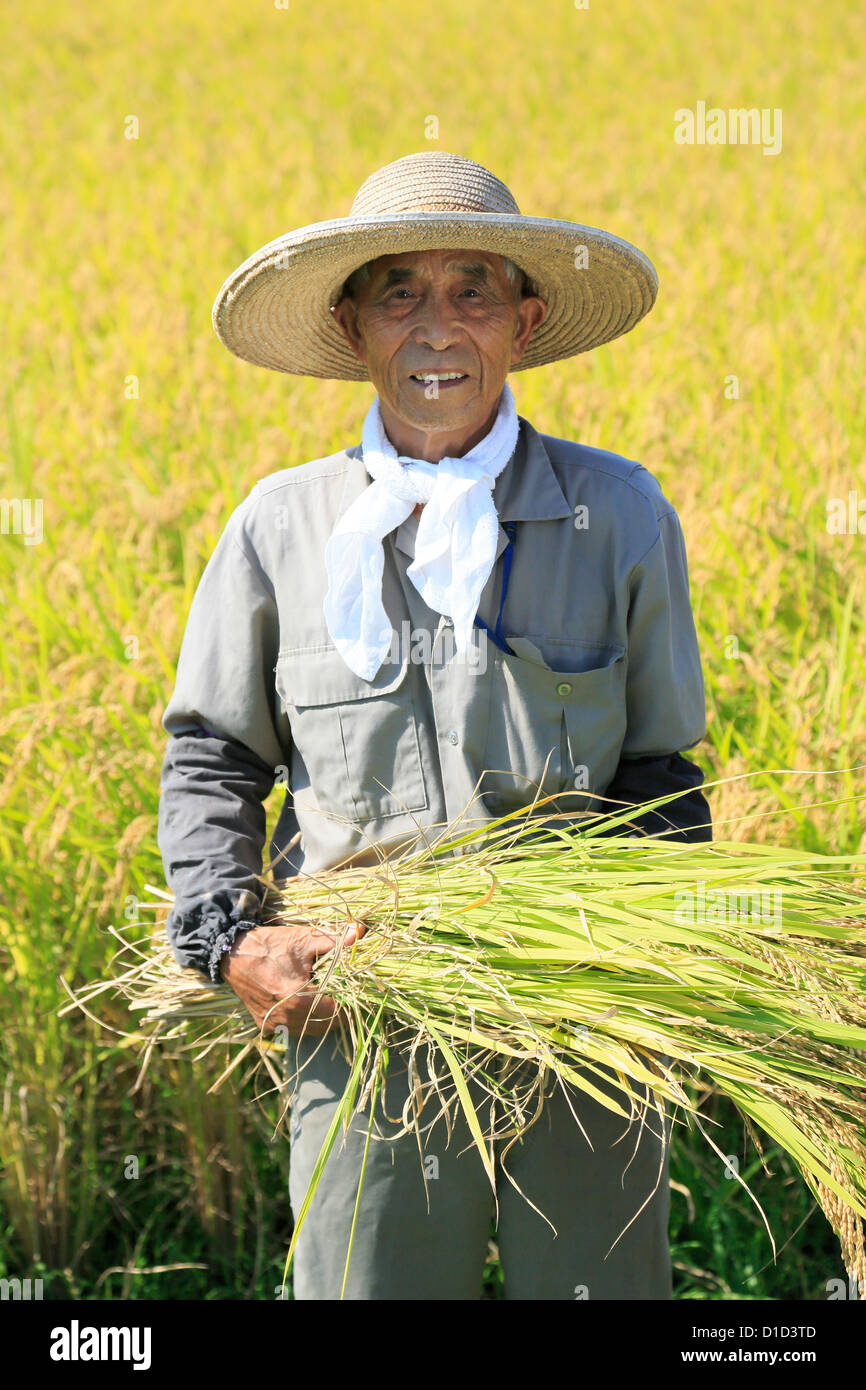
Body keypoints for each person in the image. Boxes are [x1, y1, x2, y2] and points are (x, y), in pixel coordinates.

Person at [158, 151, 712, 1300]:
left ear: (525, 317)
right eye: (398, 292)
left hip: (581, 1021)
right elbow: (214, 755)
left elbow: (664, 773)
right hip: (357, 1013)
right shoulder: (278, 527)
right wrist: (233, 940)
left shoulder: (614, 514)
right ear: (352, 326)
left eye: (471, 290)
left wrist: (630, 963)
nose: (435, 328)